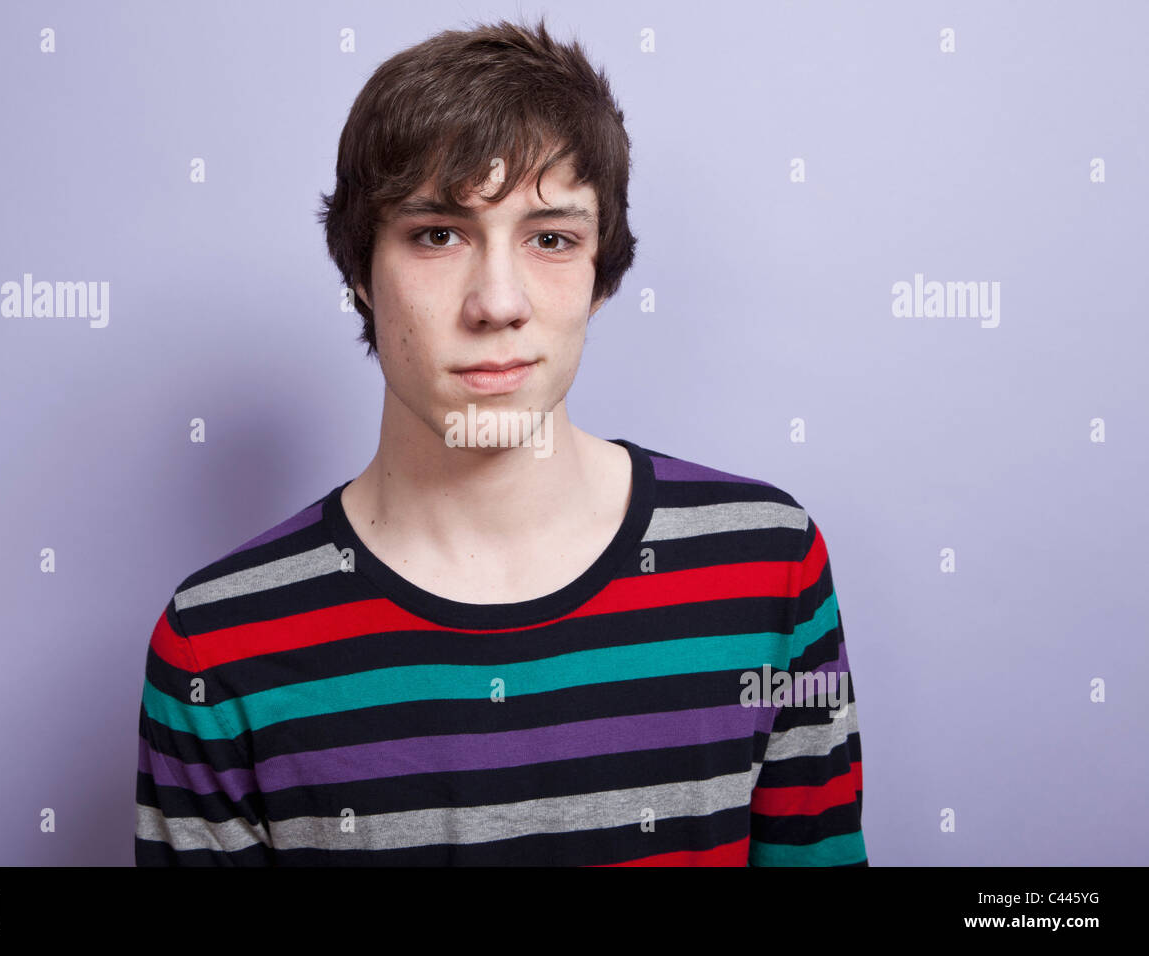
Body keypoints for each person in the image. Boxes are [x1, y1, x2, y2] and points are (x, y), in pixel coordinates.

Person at [135, 16, 866, 866]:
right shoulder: (215, 646)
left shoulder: (768, 563)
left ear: (601, 274)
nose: (497, 302)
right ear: (360, 273)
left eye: (551, 238)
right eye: (437, 234)